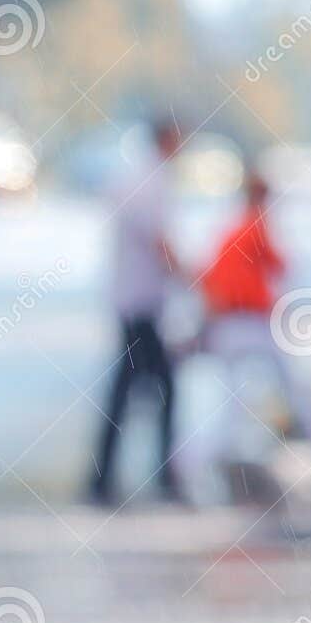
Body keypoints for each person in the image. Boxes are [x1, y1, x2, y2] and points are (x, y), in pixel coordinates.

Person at [198, 168, 311, 464]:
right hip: (246, 322)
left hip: (232, 323)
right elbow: (280, 265)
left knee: (234, 396)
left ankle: (214, 457)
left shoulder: (234, 229)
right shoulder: (253, 225)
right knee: (290, 388)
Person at [86, 118, 186, 506]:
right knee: (160, 387)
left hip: (133, 300)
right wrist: (194, 280)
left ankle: (105, 479)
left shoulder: (137, 176)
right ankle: (161, 475)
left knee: (127, 391)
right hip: (140, 304)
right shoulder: (152, 181)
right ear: (168, 139)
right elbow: (160, 242)